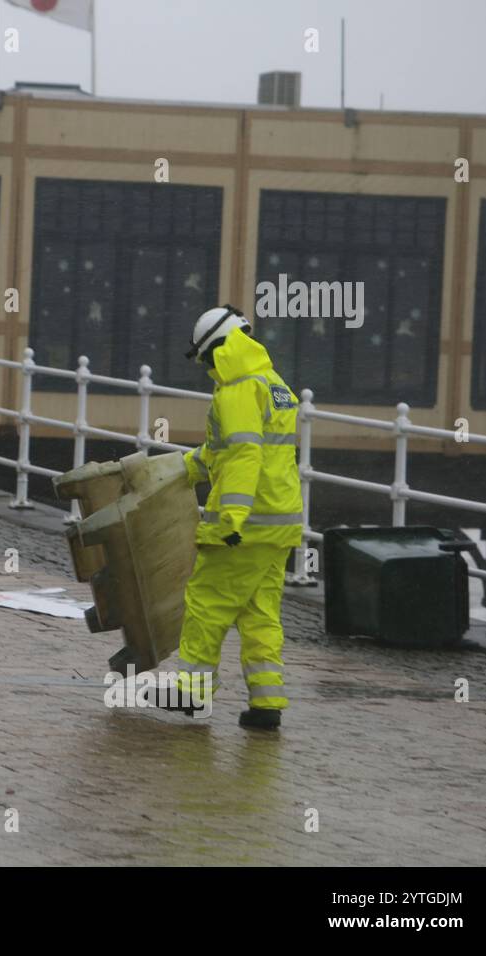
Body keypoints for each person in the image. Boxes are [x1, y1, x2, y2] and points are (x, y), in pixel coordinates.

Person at [166, 305, 304, 731]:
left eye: (206, 358)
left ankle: (190, 694)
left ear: (218, 348)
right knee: (260, 612)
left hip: (247, 523)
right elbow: (225, 451)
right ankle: (267, 703)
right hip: (280, 520)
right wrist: (181, 470)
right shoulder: (273, 384)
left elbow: (244, 455)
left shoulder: (238, 389)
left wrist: (230, 519)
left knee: (207, 601)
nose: (206, 367)